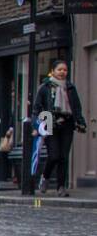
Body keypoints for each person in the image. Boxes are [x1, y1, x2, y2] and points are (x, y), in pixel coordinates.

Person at [33, 59, 87, 196]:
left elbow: (76, 107)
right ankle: (45, 177)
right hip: (50, 122)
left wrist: (80, 122)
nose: (62, 72)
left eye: (65, 70)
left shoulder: (70, 87)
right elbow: (37, 108)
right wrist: (37, 125)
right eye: (60, 69)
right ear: (53, 71)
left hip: (67, 123)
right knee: (54, 156)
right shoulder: (45, 87)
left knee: (63, 157)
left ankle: (61, 187)